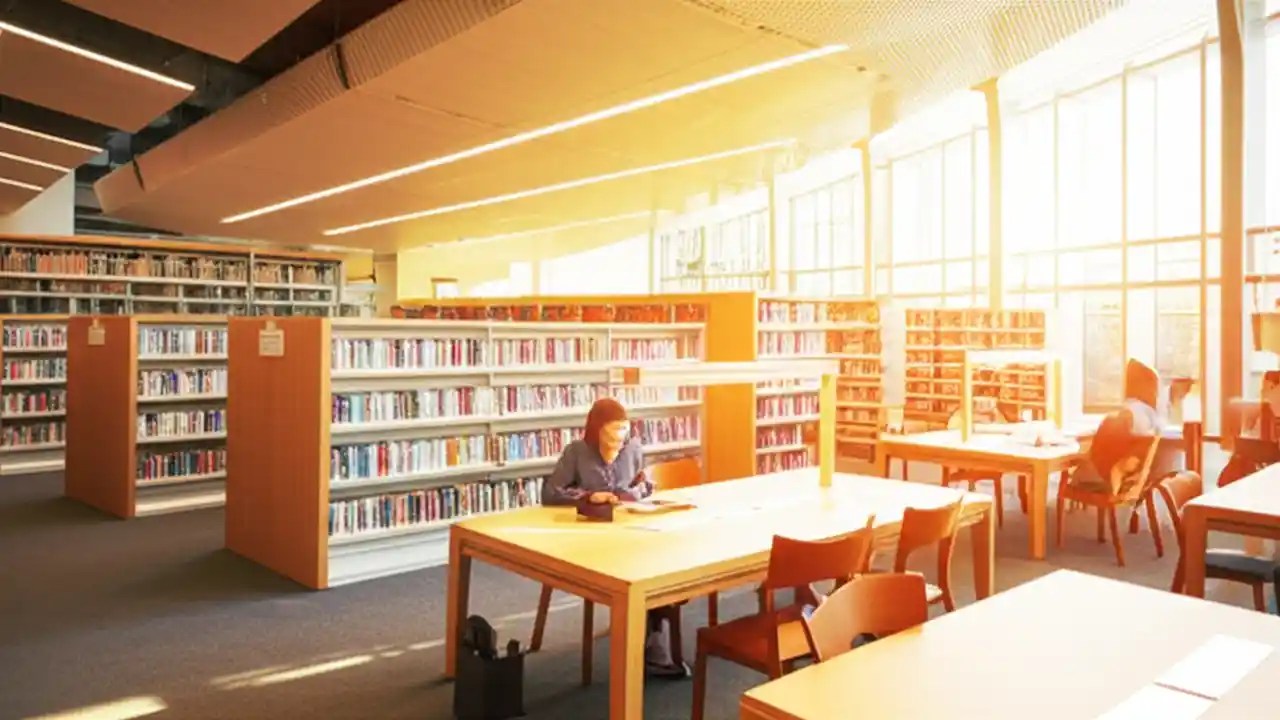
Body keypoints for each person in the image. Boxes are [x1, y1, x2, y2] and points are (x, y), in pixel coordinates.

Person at [541, 397, 689, 678]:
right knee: (643, 565)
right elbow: (550, 493)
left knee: (662, 560)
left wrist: (639, 492)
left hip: (631, 530)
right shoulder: (577, 452)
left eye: (623, 429)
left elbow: (641, 485)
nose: (619, 438)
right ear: (597, 429)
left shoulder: (633, 448)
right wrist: (588, 496)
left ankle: (655, 637)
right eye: (612, 430)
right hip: (589, 537)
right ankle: (655, 643)